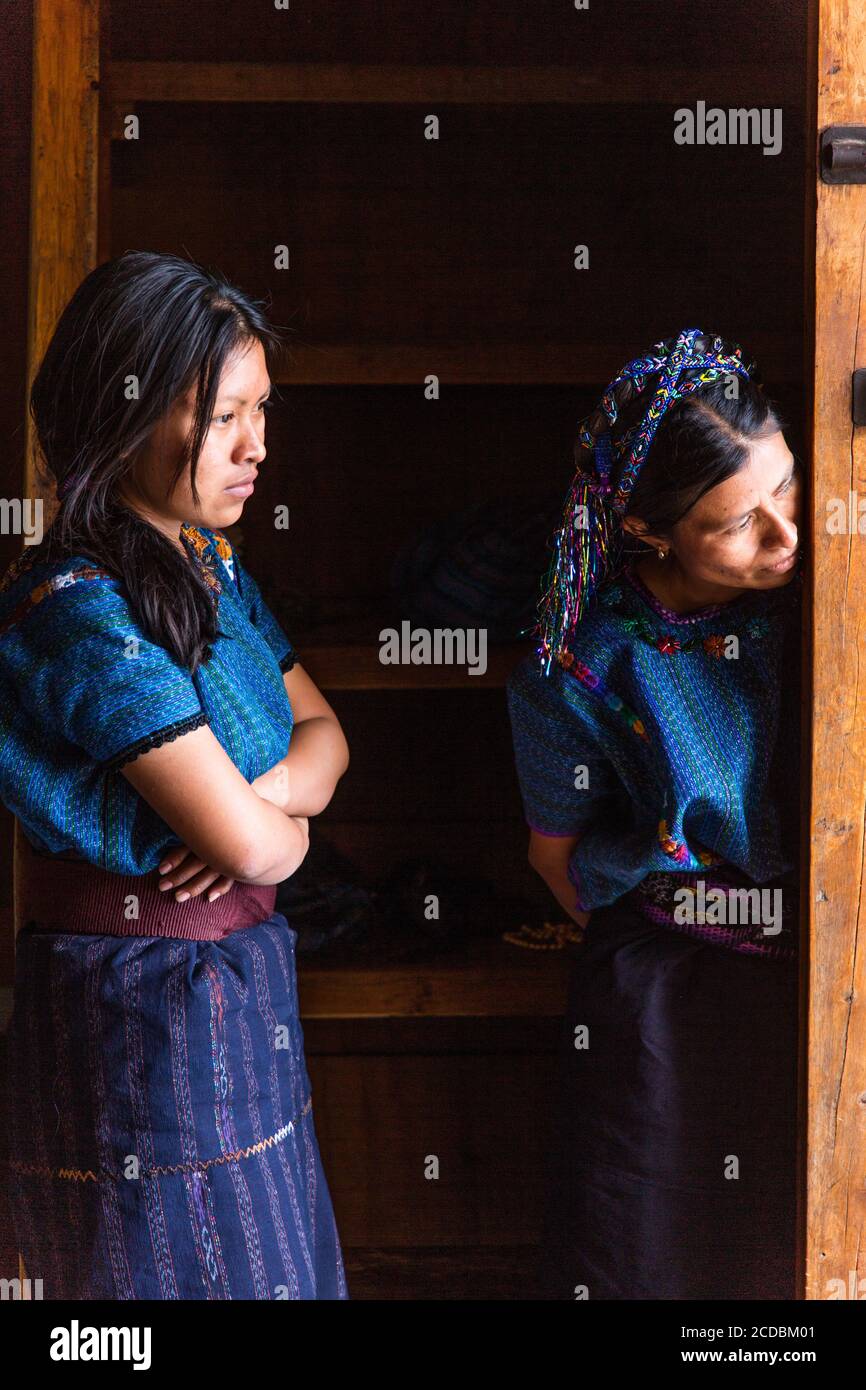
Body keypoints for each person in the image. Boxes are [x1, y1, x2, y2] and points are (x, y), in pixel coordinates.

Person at [0, 251, 350, 1300]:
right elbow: (252, 847)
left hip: (235, 993)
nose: (257, 447)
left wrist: (269, 797)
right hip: (136, 1020)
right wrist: (273, 830)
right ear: (125, 413)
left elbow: (325, 732)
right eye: (226, 416)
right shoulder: (75, 603)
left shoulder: (209, 563)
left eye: (262, 411)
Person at [507, 328, 803, 1300]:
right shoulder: (582, 669)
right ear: (647, 531)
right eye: (735, 524)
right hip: (659, 995)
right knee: (648, 1248)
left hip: (812, 961)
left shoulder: (815, 611)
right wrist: (693, 920)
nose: (783, 538)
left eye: (786, 490)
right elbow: (557, 860)